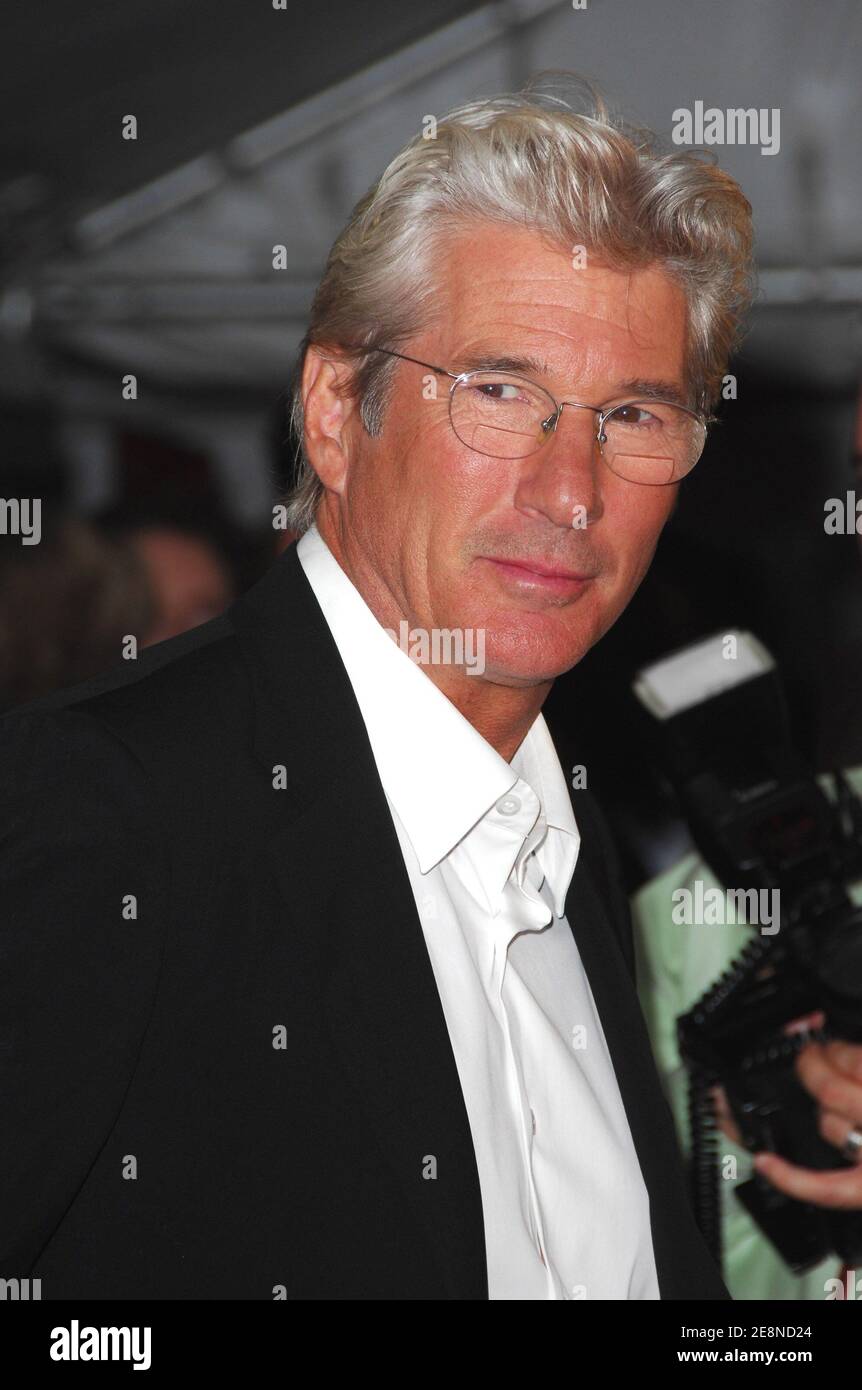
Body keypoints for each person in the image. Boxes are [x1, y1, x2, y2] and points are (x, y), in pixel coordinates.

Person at [0, 78, 755, 1299]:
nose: (571, 491)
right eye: (499, 393)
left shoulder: (561, 834)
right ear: (336, 413)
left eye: (630, 413)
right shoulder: (106, 808)